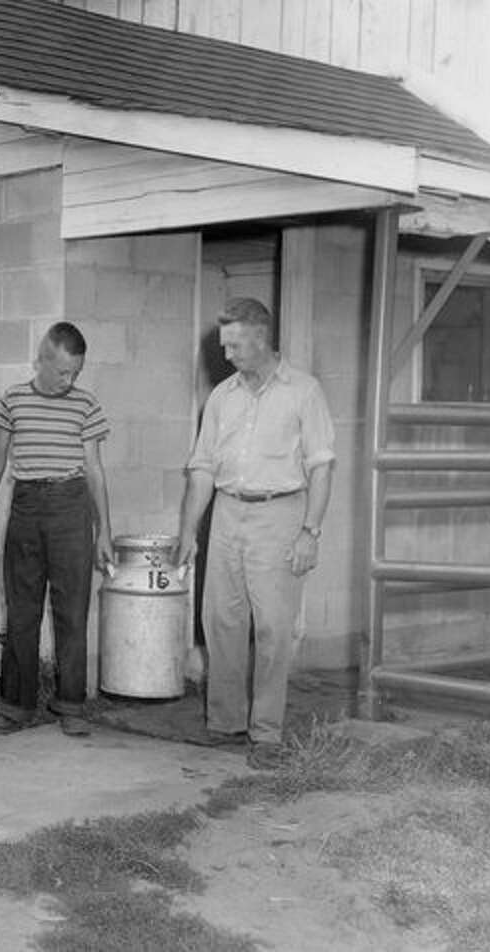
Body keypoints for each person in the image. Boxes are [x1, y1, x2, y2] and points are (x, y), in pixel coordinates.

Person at [175, 297, 334, 770]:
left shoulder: (304, 391)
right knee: (221, 621)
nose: (226, 354)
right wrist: (188, 531)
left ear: (261, 339)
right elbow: (203, 469)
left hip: (279, 514)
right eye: (224, 345)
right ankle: (225, 723)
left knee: (272, 627)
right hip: (226, 512)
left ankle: (266, 732)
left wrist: (311, 531)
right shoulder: (222, 397)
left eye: (235, 344)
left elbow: (322, 467)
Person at [0, 322, 114, 737]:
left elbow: (95, 469)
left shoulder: (86, 404)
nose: (69, 381)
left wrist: (104, 529)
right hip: (27, 506)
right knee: (21, 610)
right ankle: (15, 707)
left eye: (76, 373)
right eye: (62, 372)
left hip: (71, 508)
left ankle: (70, 704)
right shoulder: (13, 400)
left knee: (72, 609)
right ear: (42, 358)